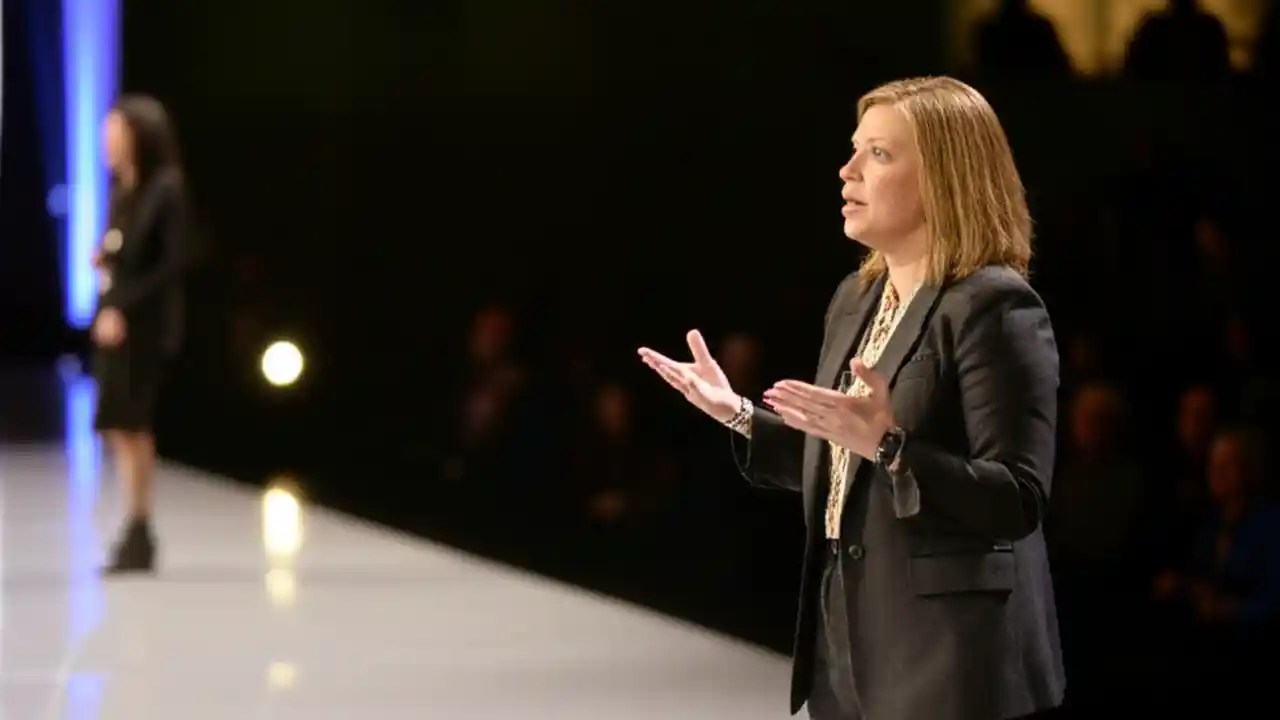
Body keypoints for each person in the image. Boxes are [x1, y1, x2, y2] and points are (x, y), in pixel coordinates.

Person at [638, 76, 1065, 719]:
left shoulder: (993, 306)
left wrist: (891, 447)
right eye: (854, 149)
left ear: (944, 178)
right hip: (849, 648)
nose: (847, 170)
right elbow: (843, 464)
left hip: (951, 664)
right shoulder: (855, 299)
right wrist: (741, 415)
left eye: (880, 154)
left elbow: (1017, 500)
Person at [91, 94, 193, 574]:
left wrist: (124, 308)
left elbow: (172, 263)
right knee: (117, 423)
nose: (107, 143)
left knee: (133, 423)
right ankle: (135, 523)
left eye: (115, 134)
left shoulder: (166, 188)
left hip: (145, 325)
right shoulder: (122, 188)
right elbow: (120, 257)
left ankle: (139, 525)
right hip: (117, 320)